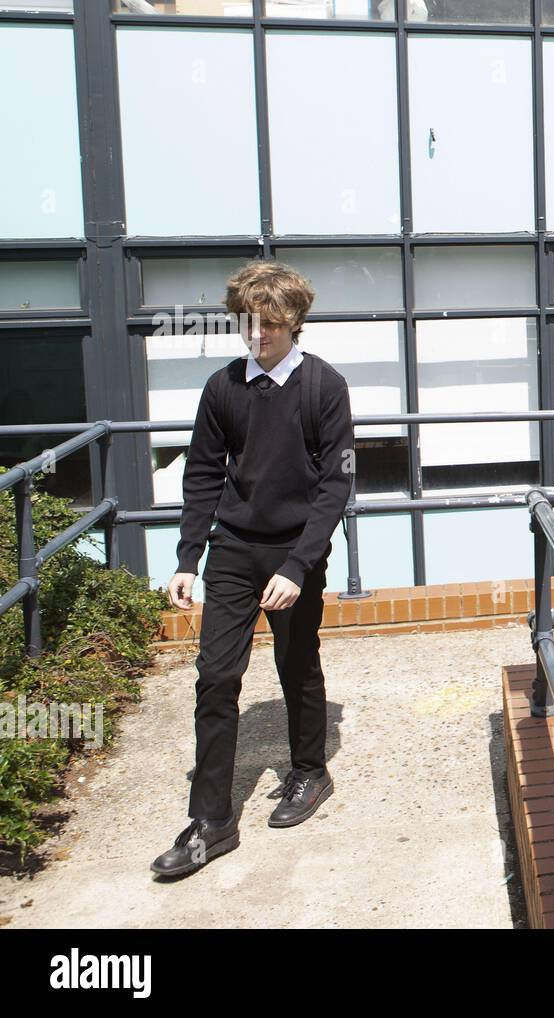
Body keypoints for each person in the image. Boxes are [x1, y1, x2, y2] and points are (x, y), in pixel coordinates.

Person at [153, 261, 354, 878]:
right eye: (248, 323)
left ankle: (309, 772)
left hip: (297, 550)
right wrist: (189, 557)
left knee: (296, 664)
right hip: (235, 550)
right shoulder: (223, 389)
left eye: (269, 324)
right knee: (215, 678)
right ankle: (211, 821)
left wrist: (299, 564)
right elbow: (203, 475)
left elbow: (336, 482)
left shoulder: (323, 387)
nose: (257, 335)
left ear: (294, 322)